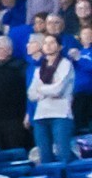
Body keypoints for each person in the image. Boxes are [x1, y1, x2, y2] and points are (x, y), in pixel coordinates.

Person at [28, 32, 75, 165]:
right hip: (40, 116)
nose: (48, 46)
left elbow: (58, 90)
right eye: (45, 43)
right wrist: (46, 90)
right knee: (45, 156)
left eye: (52, 42)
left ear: (60, 47)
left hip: (60, 114)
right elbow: (31, 93)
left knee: (63, 154)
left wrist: (41, 90)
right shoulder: (39, 69)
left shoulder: (65, 64)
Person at [0, 36, 30, 150]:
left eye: (0, 48)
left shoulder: (20, 67)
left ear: (9, 50)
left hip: (14, 119)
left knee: (15, 151)